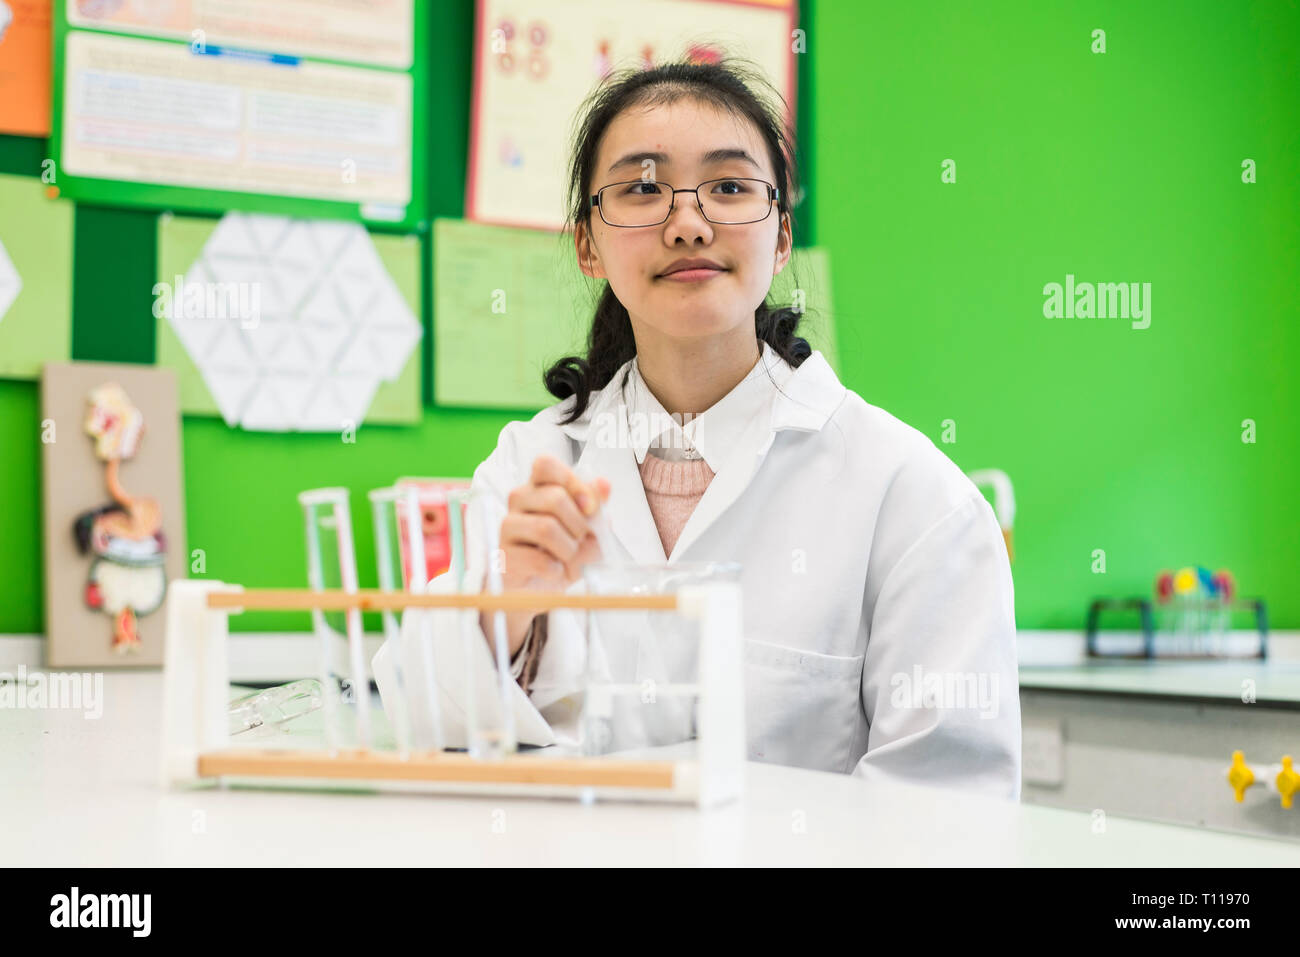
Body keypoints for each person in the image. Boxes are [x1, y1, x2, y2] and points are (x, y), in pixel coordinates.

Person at [375, 58, 1020, 799]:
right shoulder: (534, 462)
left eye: (730, 187)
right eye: (642, 188)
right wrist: (505, 610)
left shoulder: (911, 497)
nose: (687, 223)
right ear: (589, 244)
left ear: (780, 238)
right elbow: (415, 716)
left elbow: (947, 811)